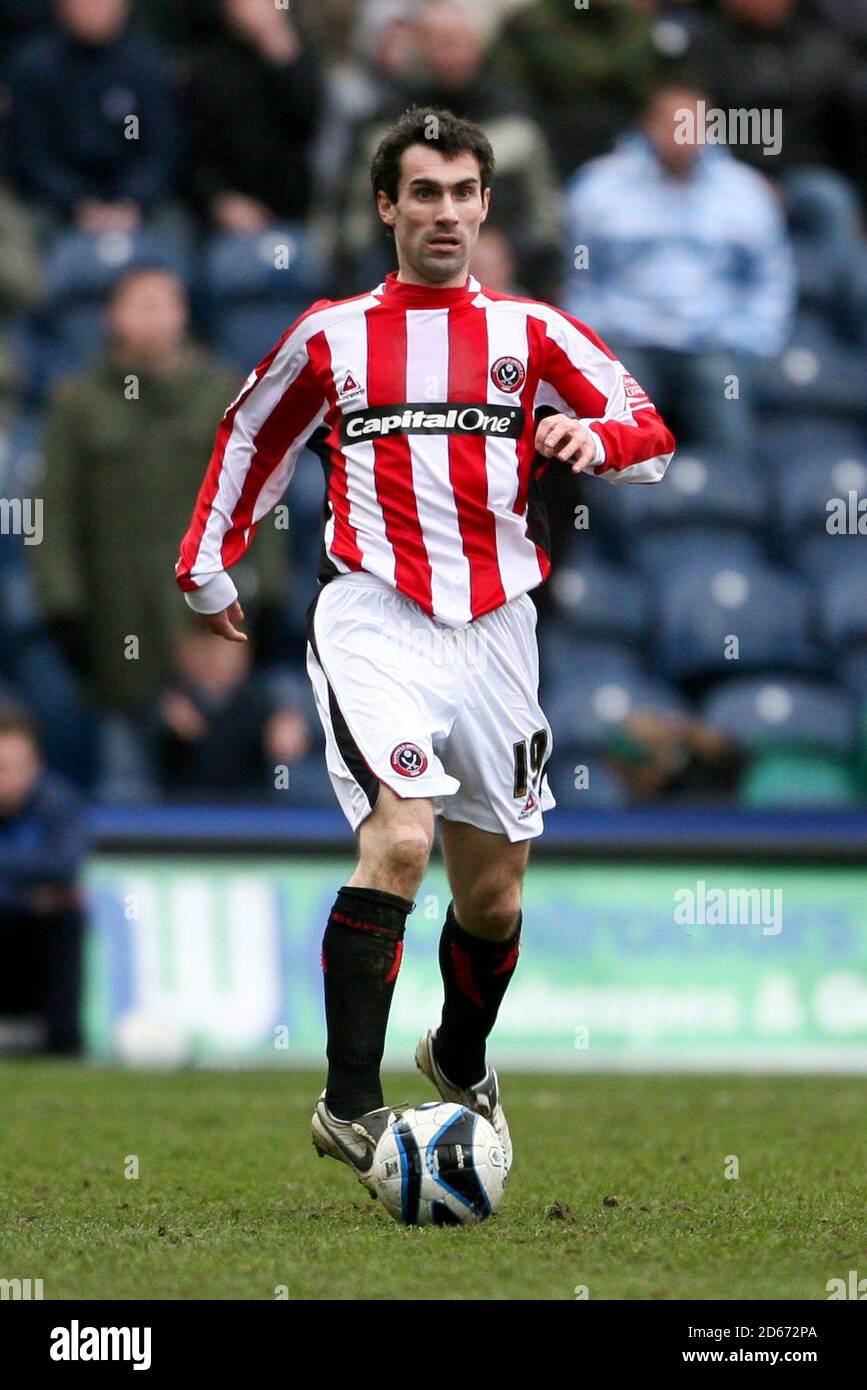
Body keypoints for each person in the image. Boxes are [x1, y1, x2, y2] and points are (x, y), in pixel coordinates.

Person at [175, 106, 676, 1190]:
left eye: (463, 193)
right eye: (424, 193)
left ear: (486, 205)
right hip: (373, 615)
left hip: (498, 630)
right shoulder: (333, 334)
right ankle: (348, 1100)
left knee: (491, 895)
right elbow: (253, 432)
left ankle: (456, 1053)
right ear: (386, 206)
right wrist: (208, 561)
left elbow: (648, 428)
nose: (445, 213)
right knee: (400, 842)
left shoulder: (535, 333)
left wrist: (594, 437)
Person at [33, 264, 286, 800]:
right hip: (115, 626)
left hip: (213, 632)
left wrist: (265, 593)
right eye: (139, 304)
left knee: (230, 789)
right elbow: (49, 515)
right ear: (113, 317)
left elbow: (257, 497)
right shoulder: (78, 404)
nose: (152, 318)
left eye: (163, 303)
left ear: (184, 314)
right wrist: (63, 607)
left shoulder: (223, 392)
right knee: (124, 783)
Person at [563, 79, 795, 460]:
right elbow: (580, 276)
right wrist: (593, 343)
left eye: (693, 123)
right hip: (625, 342)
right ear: (647, 125)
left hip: (714, 342)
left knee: (730, 433)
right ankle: (619, 515)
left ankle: (730, 507)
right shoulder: (598, 188)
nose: (683, 135)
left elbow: (771, 279)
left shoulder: (746, 193)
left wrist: (752, 338)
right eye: (672, 123)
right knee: (614, 444)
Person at [0, 703, 88, 1055]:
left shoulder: (59, 802)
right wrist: (25, 896)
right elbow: (47, 870)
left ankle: (63, 1043)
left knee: (67, 915)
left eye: (11, 768)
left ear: (35, 767)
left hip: (34, 938)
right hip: (22, 911)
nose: (3, 777)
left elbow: (65, 865)